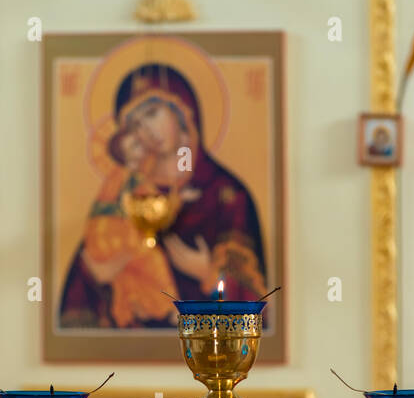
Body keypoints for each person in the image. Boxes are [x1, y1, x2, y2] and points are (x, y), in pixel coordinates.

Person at [60, 63, 266, 327]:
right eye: (135, 124)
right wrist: (97, 273)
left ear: (183, 112)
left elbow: (255, 301)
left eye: (153, 113)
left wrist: (210, 275)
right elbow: (81, 293)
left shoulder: (226, 195)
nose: (146, 129)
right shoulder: (127, 197)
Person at [80, 125, 178, 327]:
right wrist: (176, 201)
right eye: (135, 146)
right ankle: (168, 307)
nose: (142, 149)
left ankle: (135, 303)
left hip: (113, 237)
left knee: (130, 276)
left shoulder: (118, 176)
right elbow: (154, 206)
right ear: (125, 154)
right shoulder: (131, 178)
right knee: (155, 260)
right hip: (118, 237)